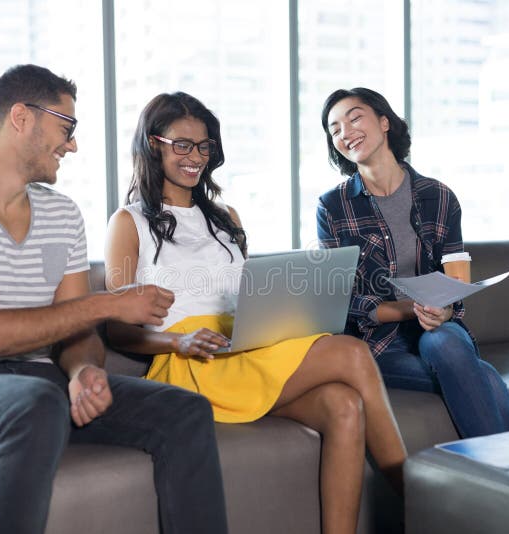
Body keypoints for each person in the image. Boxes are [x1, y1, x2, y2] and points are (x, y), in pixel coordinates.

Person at [0, 64, 228, 534]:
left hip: (39, 385)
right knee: (35, 402)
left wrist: (84, 369)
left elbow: (78, 335)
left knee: (185, 410)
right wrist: (110, 303)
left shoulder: (62, 214)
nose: (72, 145)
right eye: (66, 128)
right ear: (21, 118)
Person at [104, 91, 407, 534]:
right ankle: (425, 500)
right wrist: (177, 340)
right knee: (352, 354)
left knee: (344, 405)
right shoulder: (128, 221)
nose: (195, 157)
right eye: (182, 144)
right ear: (154, 145)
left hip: (243, 345)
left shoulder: (227, 217)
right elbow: (115, 325)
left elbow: (245, 296)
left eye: (204, 146)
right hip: (192, 361)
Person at [317, 87, 509, 439]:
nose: (345, 132)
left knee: (446, 344)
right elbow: (340, 300)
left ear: (384, 122)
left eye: (354, 118)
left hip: (439, 328)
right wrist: (408, 310)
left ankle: (500, 480)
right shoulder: (333, 207)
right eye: (334, 129)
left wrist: (444, 311)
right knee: (483, 374)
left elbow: (455, 278)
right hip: (377, 342)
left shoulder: (438, 196)